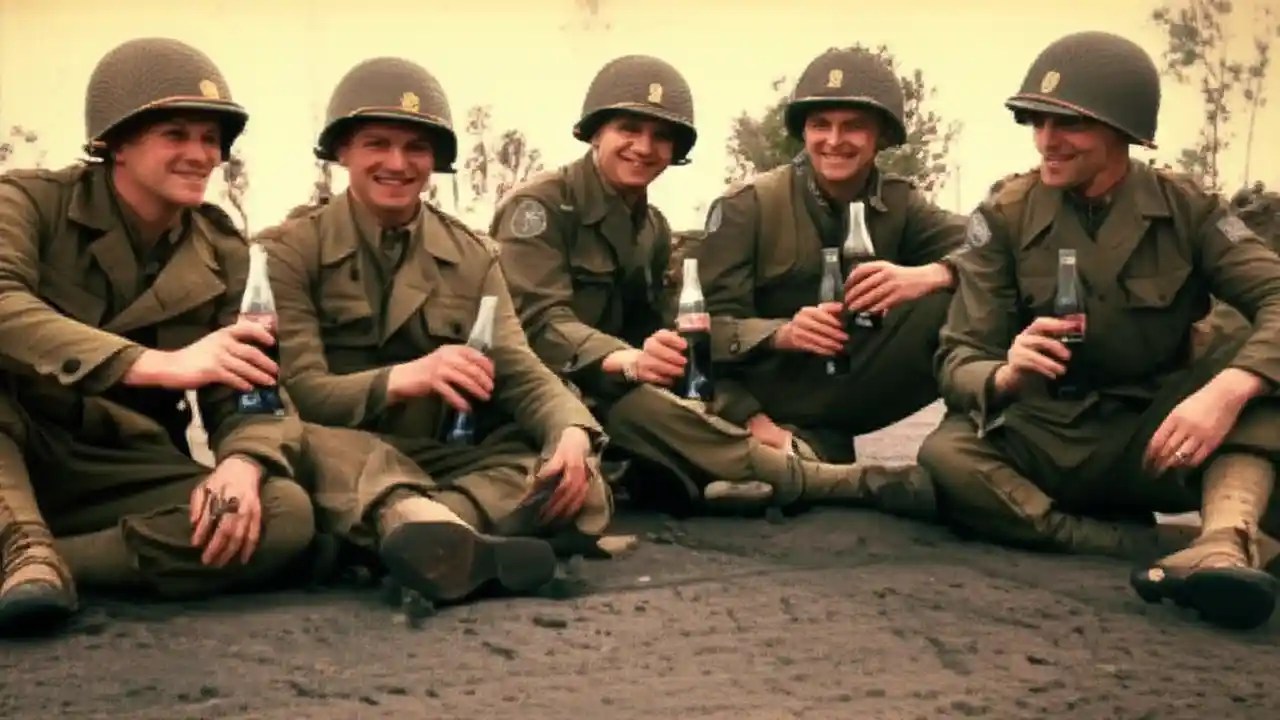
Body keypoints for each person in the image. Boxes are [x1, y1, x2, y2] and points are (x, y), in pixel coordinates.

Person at [918, 30, 1280, 631]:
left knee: (1264, 381)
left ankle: (1224, 540)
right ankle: (1136, 544)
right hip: (1046, 432)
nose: (1047, 141)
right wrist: (1005, 373)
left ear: (1122, 130)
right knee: (947, 455)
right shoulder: (1005, 215)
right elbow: (959, 356)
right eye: (1036, 122)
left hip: (1157, 433)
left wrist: (1226, 390)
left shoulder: (1187, 209)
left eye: (1069, 124)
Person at [491, 54, 934, 518]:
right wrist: (630, 361)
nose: (644, 147)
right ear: (595, 132)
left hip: (610, 387)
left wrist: (727, 400)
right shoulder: (540, 208)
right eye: (629, 129)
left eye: (662, 136)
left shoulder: (651, 229)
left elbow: (669, 332)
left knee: (678, 401)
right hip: (542, 392)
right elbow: (538, 324)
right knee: (644, 411)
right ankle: (831, 480)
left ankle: (729, 468)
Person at [261, 57, 613, 606]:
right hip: (340, 451)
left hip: (439, 457)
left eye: (416, 148)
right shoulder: (290, 251)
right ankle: (423, 525)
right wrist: (407, 378)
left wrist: (571, 432)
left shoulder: (471, 255)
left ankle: (428, 531)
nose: (397, 163)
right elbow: (303, 390)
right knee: (307, 443)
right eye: (377, 144)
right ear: (343, 151)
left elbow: (519, 369)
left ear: (435, 161)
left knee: (576, 484)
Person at [0, 37, 315, 636]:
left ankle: (45, 562)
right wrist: (154, 364)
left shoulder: (222, 250)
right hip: (18, 445)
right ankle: (19, 546)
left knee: (284, 513)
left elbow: (253, 387)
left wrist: (244, 462)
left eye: (210, 138)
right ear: (116, 143)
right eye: (175, 134)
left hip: (117, 466)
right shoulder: (29, 203)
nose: (201, 154)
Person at [696, 46, 967, 466]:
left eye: (853, 126)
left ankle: (979, 438)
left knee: (972, 294)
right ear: (803, 132)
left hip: (849, 377)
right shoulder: (747, 206)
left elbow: (993, 245)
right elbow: (701, 334)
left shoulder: (900, 204)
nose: (834, 141)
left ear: (881, 136)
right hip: (766, 392)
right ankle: (788, 447)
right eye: (820, 125)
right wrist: (782, 334)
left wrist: (934, 274)